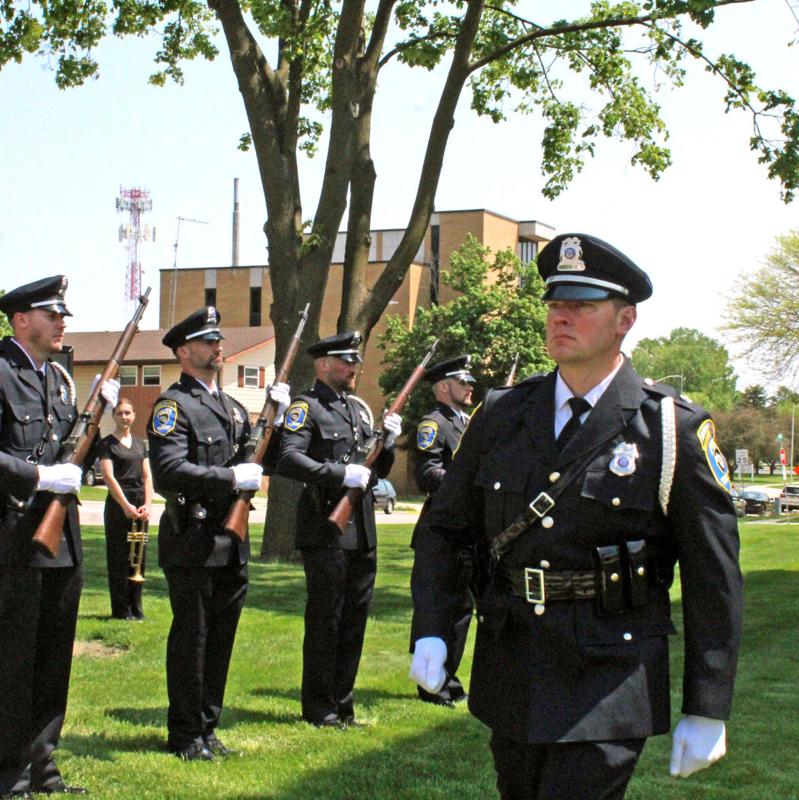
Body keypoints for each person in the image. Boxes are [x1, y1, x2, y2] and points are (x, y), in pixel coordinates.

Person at [408, 234, 743, 800]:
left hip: (610, 671)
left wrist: (708, 705)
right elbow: (444, 529)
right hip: (515, 661)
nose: (562, 317)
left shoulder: (669, 428)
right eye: (556, 303)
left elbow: (715, 575)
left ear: (625, 320)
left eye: (582, 305)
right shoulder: (503, 414)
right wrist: (434, 628)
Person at [0, 275, 117, 799]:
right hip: (14, 536)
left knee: (52, 662)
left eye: (63, 315)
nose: (62, 323)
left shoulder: (59, 381)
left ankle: (44, 767)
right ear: (22, 319)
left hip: (62, 541)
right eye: (53, 315)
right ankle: (9, 774)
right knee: (14, 661)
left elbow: (73, 455)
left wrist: (100, 420)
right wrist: (42, 478)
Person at [148, 307, 290, 761]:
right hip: (192, 536)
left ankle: (209, 727)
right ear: (185, 351)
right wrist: (229, 479)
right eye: (208, 342)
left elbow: (261, 457)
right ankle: (185, 733)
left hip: (232, 540)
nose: (218, 347)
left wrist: (278, 419)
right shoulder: (174, 405)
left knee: (222, 638)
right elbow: (169, 472)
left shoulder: (229, 406)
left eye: (218, 340)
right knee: (193, 637)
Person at [276, 331, 401, 727]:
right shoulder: (306, 407)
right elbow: (289, 458)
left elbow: (372, 470)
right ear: (323, 364)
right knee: (326, 621)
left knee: (354, 622)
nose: (353, 368)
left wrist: (391, 444)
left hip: (361, 528)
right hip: (325, 526)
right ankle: (319, 707)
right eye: (346, 361)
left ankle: (343, 705)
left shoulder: (358, 411)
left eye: (354, 361)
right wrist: (336, 473)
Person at [410, 354, 477, 707]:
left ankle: (447, 677)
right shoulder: (433, 424)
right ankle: (429, 683)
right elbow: (428, 474)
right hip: (440, 530)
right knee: (435, 607)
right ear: (443, 387)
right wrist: (467, 482)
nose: (470, 387)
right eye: (463, 381)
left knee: (461, 610)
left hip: (466, 532)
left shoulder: (468, 423)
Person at [97, 397, 153, 620]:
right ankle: (121, 610)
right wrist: (126, 505)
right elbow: (109, 478)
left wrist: (147, 504)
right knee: (120, 557)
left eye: (128, 413)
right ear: (114, 416)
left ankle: (137, 609)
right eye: (120, 413)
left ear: (134, 415)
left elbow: (148, 476)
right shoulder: (107, 444)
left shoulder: (141, 444)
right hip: (119, 503)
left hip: (140, 504)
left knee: (139, 558)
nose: (124, 417)